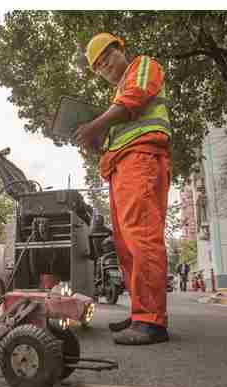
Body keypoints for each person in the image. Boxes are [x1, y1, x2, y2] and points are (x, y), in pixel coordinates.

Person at [74, 33, 172, 345]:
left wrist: (94, 126)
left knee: (141, 237)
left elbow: (136, 97)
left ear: (121, 50)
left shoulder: (141, 66)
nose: (105, 67)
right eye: (99, 67)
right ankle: (141, 311)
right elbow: (113, 134)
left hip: (141, 159)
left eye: (107, 59)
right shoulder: (115, 102)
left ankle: (151, 321)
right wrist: (93, 141)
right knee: (126, 244)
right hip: (122, 168)